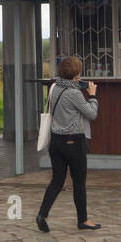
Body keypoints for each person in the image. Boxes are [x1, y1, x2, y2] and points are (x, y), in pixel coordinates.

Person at [36, 56, 101, 232]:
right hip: (74, 142)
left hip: (56, 141)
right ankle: (83, 220)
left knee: (57, 180)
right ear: (75, 75)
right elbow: (91, 114)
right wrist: (93, 95)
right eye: (79, 72)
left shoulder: (55, 87)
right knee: (79, 182)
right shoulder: (74, 94)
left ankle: (42, 214)